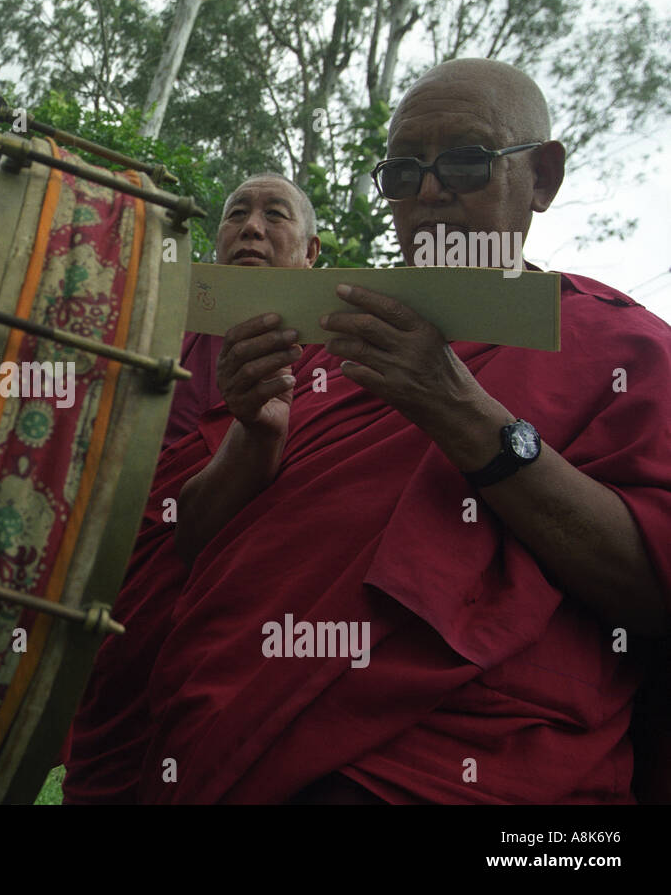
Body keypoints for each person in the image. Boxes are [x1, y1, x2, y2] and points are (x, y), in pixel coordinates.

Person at [64, 58, 671, 804]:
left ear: (542, 178)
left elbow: (652, 588)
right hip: (229, 732)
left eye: (465, 161)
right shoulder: (328, 339)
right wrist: (255, 439)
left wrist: (463, 412)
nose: (429, 191)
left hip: (450, 762)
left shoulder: (616, 346)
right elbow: (186, 543)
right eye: (403, 171)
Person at [164, 174, 320, 447]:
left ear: (310, 252)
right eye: (237, 214)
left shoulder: (335, 351)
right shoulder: (167, 329)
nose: (251, 227)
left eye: (275, 214)